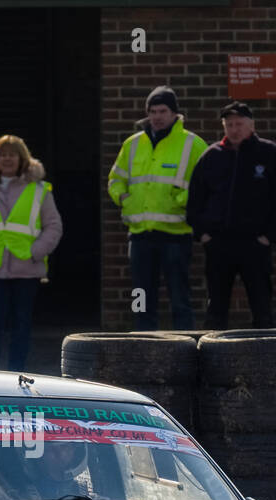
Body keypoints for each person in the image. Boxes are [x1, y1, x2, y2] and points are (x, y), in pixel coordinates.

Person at [187, 101, 276, 328]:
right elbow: (195, 198)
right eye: (229, 124)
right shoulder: (210, 156)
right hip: (218, 244)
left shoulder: (272, 154)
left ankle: (266, 355)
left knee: (262, 306)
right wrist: (203, 234)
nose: (234, 129)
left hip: (255, 244)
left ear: (251, 125)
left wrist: (271, 236)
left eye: (239, 124)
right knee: (216, 308)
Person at [108, 85, 208, 331]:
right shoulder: (132, 144)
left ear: (175, 113)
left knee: (180, 299)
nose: (157, 116)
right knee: (141, 299)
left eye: (163, 110)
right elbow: (115, 179)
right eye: (152, 111)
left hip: (176, 235)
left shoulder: (192, 144)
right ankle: (144, 347)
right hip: (141, 234)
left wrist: (183, 199)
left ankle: (187, 348)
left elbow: (208, 184)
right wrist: (122, 198)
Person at [0, 135, 63, 371]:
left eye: (13, 154)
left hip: (26, 267)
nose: (7, 159)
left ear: (22, 158)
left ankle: (17, 371)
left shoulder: (39, 189)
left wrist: (35, 252)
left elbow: (54, 226)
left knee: (22, 324)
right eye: (3, 154)